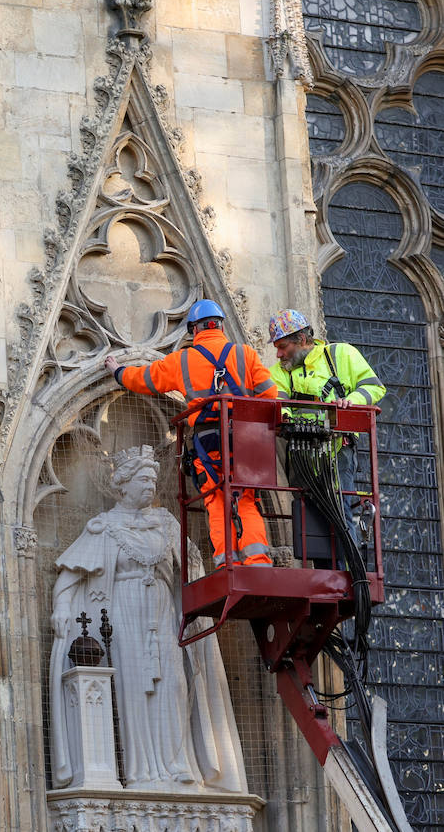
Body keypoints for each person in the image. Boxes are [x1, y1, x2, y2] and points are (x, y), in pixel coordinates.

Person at [49, 445, 247, 792]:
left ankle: (177, 765)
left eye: (153, 480)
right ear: (123, 485)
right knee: (133, 690)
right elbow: (69, 576)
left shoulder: (167, 525)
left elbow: (191, 570)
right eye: (142, 479)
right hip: (122, 616)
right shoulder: (104, 528)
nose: (149, 486)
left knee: (174, 685)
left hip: (163, 613)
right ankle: (143, 772)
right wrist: (62, 609)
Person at [104, 300, 277, 567]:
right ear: (220, 325)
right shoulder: (245, 354)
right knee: (246, 499)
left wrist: (118, 371)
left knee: (216, 498)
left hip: (209, 440)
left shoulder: (183, 360)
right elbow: (269, 395)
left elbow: (145, 379)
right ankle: (258, 562)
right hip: (246, 438)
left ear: (194, 330)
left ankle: (227, 564)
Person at [268, 308, 385, 533]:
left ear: (301, 339)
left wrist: (351, 401)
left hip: (338, 448)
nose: (279, 355)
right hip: (301, 455)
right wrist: (289, 422)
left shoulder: (341, 354)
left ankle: (349, 566)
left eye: (283, 347)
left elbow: (374, 386)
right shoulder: (279, 372)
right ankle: (329, 567)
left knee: (340, 512)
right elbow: (277, 404)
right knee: (310, 523)